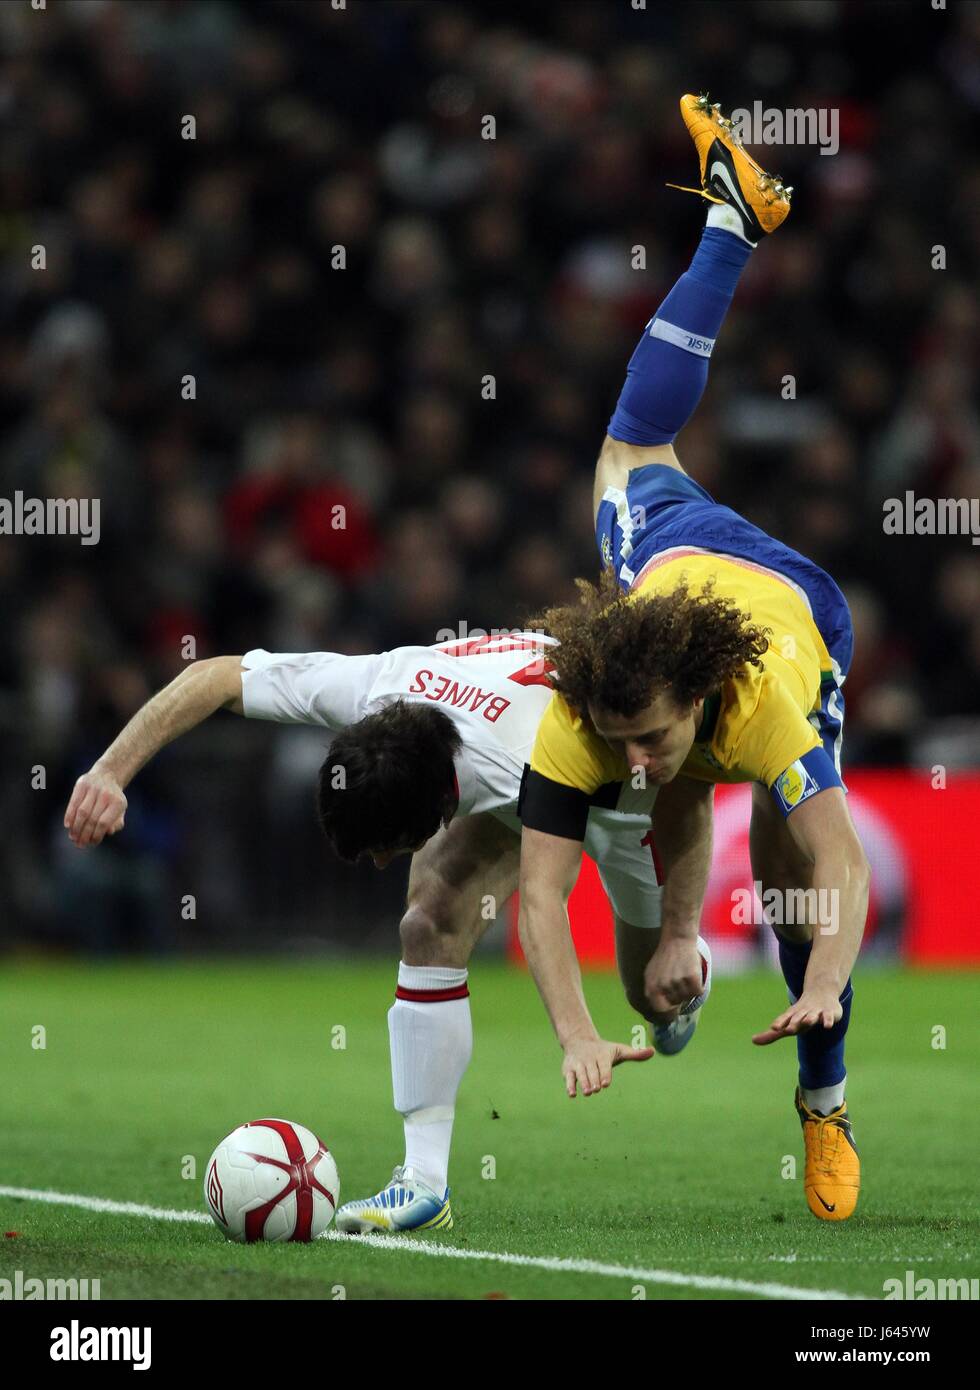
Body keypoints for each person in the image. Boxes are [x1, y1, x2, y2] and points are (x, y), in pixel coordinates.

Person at [516, 95, 869, 1222]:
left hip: (798, 610)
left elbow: (847, 866)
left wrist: (818, 986)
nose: (637, 755)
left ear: (696, 700)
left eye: (654, 734)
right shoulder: (587, 709)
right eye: (622, 739)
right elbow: (535, 892)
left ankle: (824, 1103)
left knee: (782, 870)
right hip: (672, 548)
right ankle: (732, 221)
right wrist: (576, 1030)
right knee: (631, 452)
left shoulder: (760, 703)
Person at [65, 630, 696, 1233]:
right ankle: (423, 1183)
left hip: (616, 793)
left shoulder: (524, 770)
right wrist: (109, 773)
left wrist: (578, 1037)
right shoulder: (375, 686)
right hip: (501, 731)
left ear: (440, 811)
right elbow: (217, 676)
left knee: (654, 992)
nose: (384, 863)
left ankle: (682, 988)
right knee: (427, 922)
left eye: (390, 847)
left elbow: (543, 902)